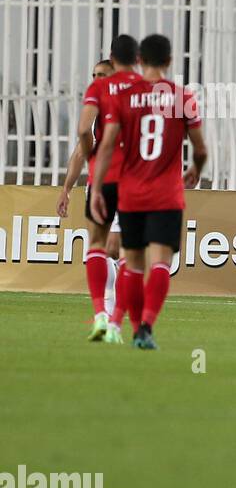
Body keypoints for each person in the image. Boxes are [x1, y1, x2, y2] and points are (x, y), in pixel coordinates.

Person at [90, 34, 207, 350]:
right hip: (167, 194)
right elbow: (201, 148)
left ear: (139, 60)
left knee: (134, 263)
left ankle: (128, 323)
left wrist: (98, 187)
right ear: (169, 61)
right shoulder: (183, 98)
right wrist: (197, 167)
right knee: (160, 264)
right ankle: (146, 328)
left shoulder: (124, 97)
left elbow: (108, 144)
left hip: (131, 193)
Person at [60, 41, 140, 340]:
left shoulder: (100, 96)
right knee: (119, 253)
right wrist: (67, 187)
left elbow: (83, 137)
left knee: (102, 247)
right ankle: (111, 319)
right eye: (94, 75)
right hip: (131, 183)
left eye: (101, 74)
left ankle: (104, 315)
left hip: (106, 180)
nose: (97, 80)